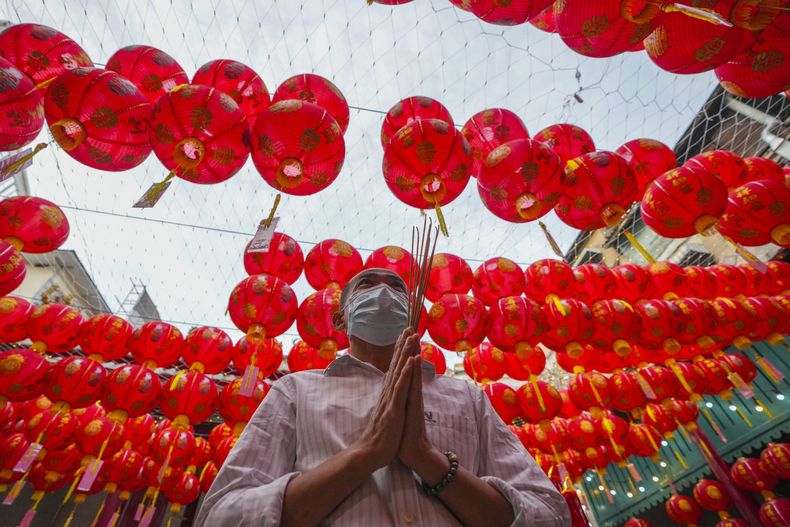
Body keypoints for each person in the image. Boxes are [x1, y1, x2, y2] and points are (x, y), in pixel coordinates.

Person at [195, 268, 571, 526]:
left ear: (414, 315)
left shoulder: (466, 397)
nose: (383, 294)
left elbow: (549, 513)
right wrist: (366, 454)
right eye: (366, 286)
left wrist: (428, 460)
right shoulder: (294, 391)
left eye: (396, 288)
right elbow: (220, 514)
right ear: (340, 320)